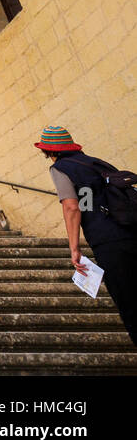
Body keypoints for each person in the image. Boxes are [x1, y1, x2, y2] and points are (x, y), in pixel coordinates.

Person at [37, 125, 137, 345]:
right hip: (130, 229)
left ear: (49, 151)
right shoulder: (95, 162)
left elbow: (72, 207)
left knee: (129, 302)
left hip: (110, 242)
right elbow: (89, 199)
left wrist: (75, 248)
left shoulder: (61, 168)